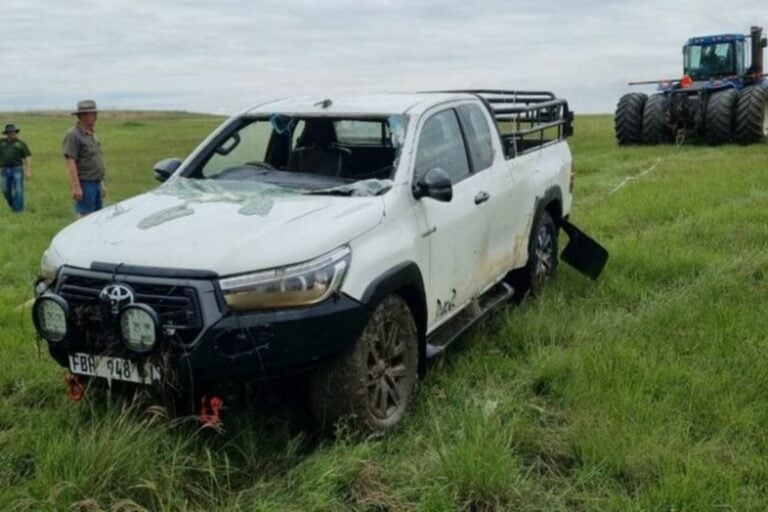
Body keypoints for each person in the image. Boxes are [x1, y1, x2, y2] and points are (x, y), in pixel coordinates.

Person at [62, 99, 107, 216]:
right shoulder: (73, 135)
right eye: (92, 114)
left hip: (96, 183)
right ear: (82, 116)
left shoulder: (91, 133)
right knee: (85, 219)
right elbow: (70, 162)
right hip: (85, 184)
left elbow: (95, 159)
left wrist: (101, 184)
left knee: (98, 218)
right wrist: (76, 187)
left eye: (95, 113)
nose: (96, 117)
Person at [0, 123, 32, 212]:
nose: (11, 134)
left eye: (13, 132)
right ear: (6, 133)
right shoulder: (1, 142)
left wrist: (28, 170)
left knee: (18, 190)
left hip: (17, 169)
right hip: (4, 170)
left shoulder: (20, 144)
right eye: (9, 132)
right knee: (5, 190)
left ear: (15, 132)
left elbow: (27, 157)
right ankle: (13, 206)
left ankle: (19, 210)